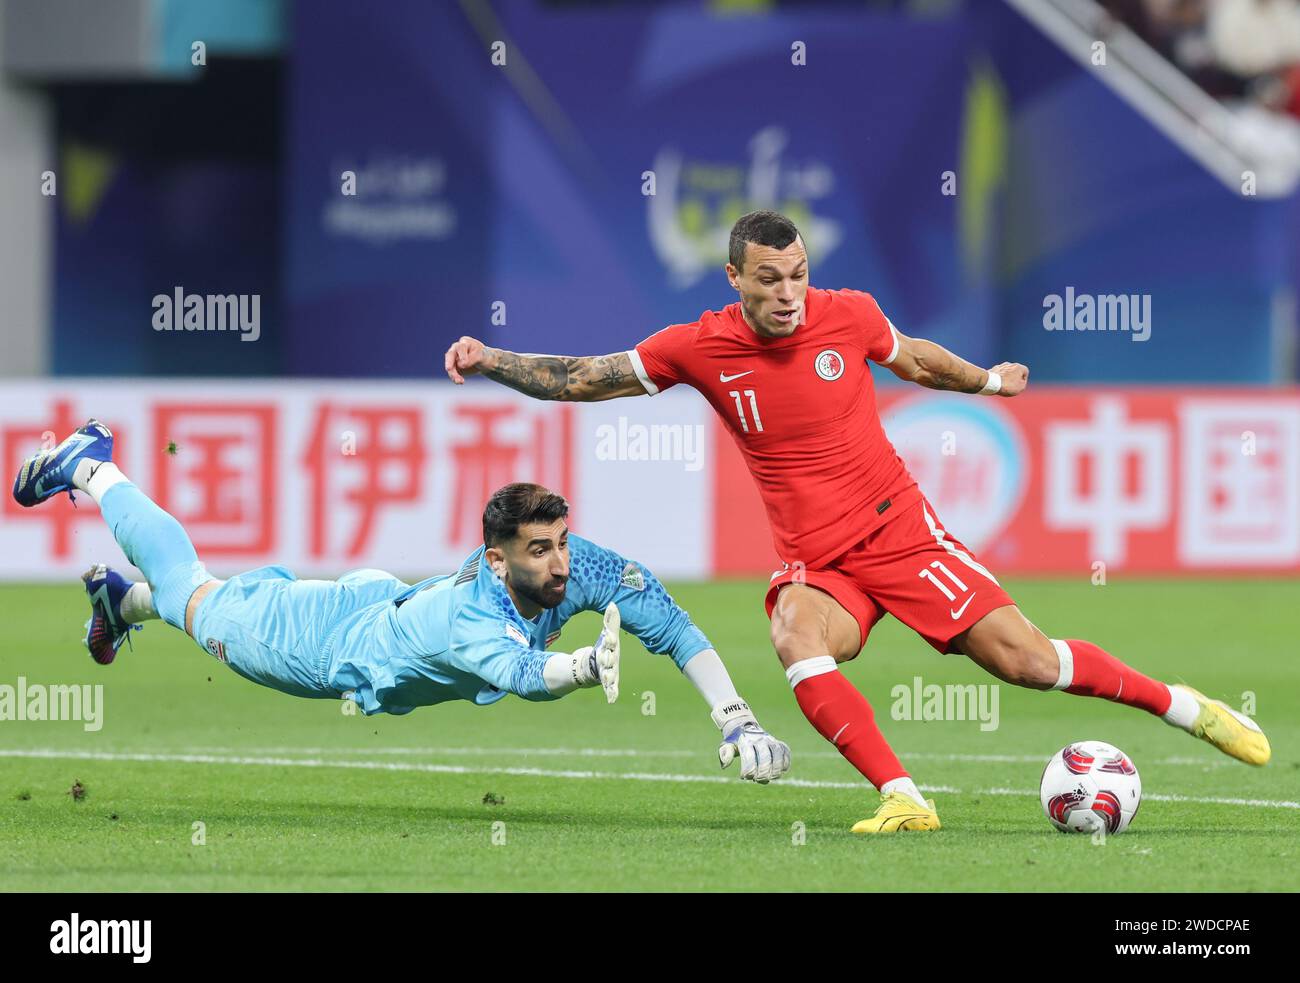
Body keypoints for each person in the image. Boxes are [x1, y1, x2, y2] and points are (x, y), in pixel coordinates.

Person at [443, 209, 1271, 833]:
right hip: (818, 564)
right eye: (768, 278)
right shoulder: (698, 348)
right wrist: (491, 362)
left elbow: (913, 356)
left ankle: (1183, 705)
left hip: (901, 532)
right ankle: (903, 796)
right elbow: (583, 377)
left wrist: (986, 383)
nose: (788, 292)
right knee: (795, 635)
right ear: (734, 278)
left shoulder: (848, 314)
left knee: (1029, 663)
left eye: (797, 273)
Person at [12, 421, 791, 782]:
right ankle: (91, 470)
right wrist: (588, 664)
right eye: (539, 550)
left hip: (378, 604)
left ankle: (120, 603)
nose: (560, 564)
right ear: (497, 558)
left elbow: (674, 625)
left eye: (562, 541)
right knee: (193, 590)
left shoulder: (579, 564)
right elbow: (526, 675)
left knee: (196, 598)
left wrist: (736, 717)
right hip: (319, 646)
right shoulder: (474, 617)